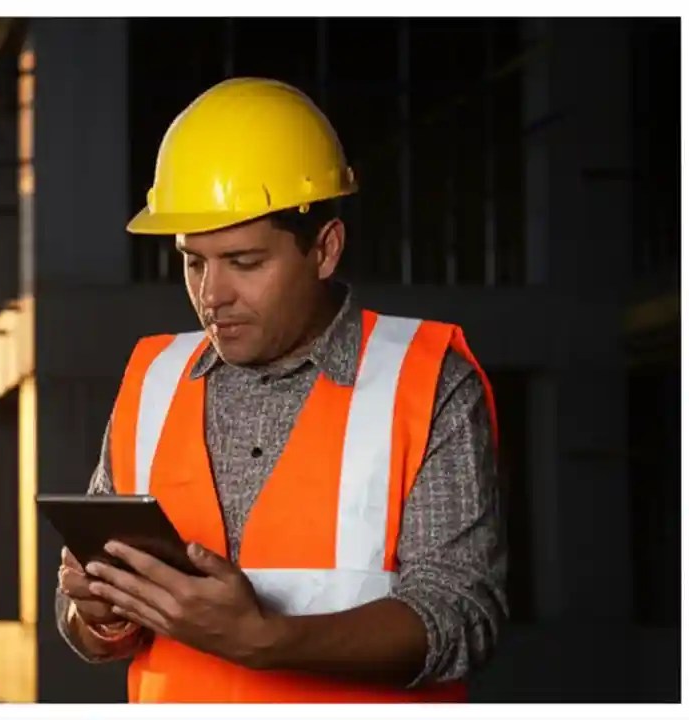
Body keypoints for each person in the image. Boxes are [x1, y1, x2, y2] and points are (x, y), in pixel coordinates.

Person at [54, 77, 506, 703]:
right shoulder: (152, 380)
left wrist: (264, 640)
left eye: (244, 262)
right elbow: (90, 627)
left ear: (324, 249)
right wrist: (100, 612)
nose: (212, 296)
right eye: (193, 261)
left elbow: (462, 615)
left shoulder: (426, 382)